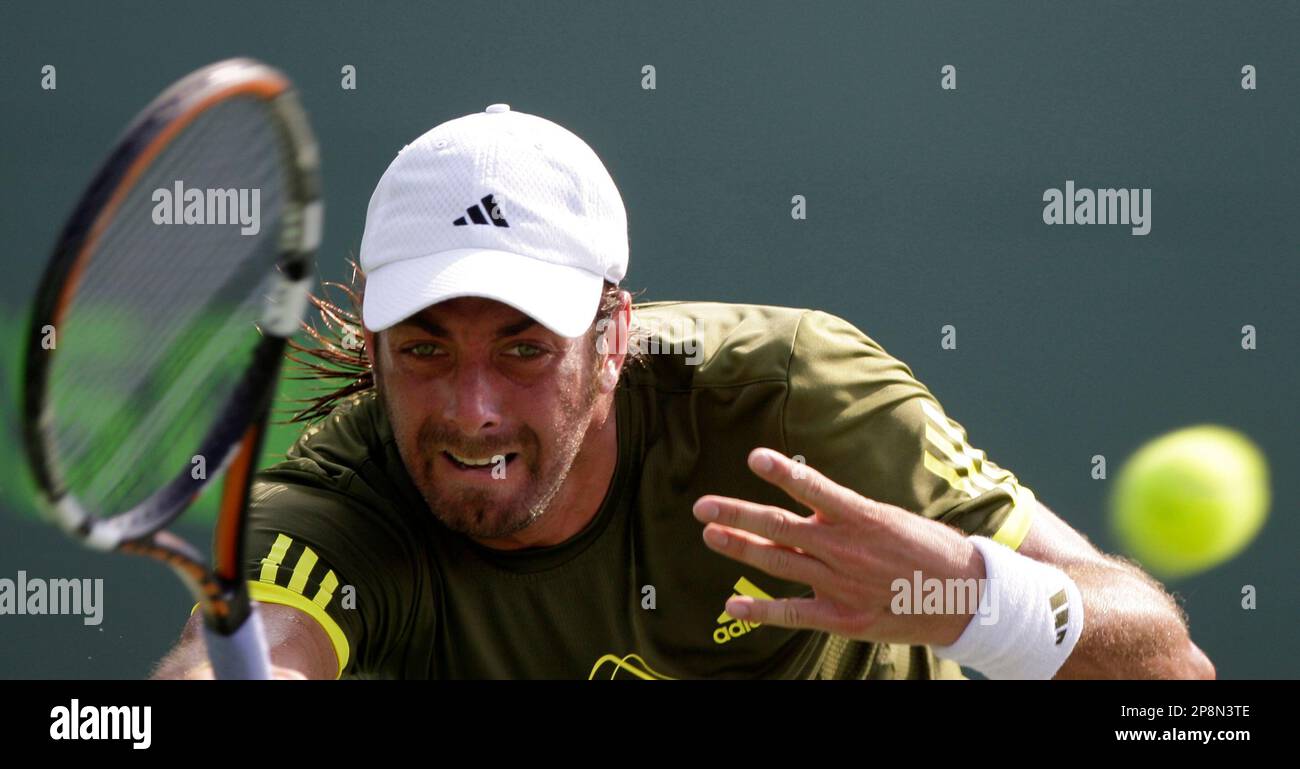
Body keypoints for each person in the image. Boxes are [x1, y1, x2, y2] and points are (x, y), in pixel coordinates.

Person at [154, 105, 1214, 680]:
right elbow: (229, 662)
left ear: (613, 339)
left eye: (523, 347)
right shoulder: (337, 507)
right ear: (376, 341)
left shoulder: (798, 402)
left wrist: (976, 597)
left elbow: (1175, 680)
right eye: (426, 349)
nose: (470, 409)